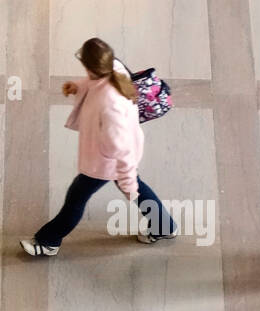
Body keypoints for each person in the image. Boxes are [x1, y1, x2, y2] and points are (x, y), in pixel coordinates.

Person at [21, 38, 176, 256]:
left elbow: (122, 150)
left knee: (76, 199)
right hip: (108, 157)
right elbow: (95, 82)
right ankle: (164, 227)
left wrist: (127, 180)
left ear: (88, 65)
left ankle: (48, 241)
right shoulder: (113, 68)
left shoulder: (111, 105)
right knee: (136, 189)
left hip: (103, 162)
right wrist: (78, 86)